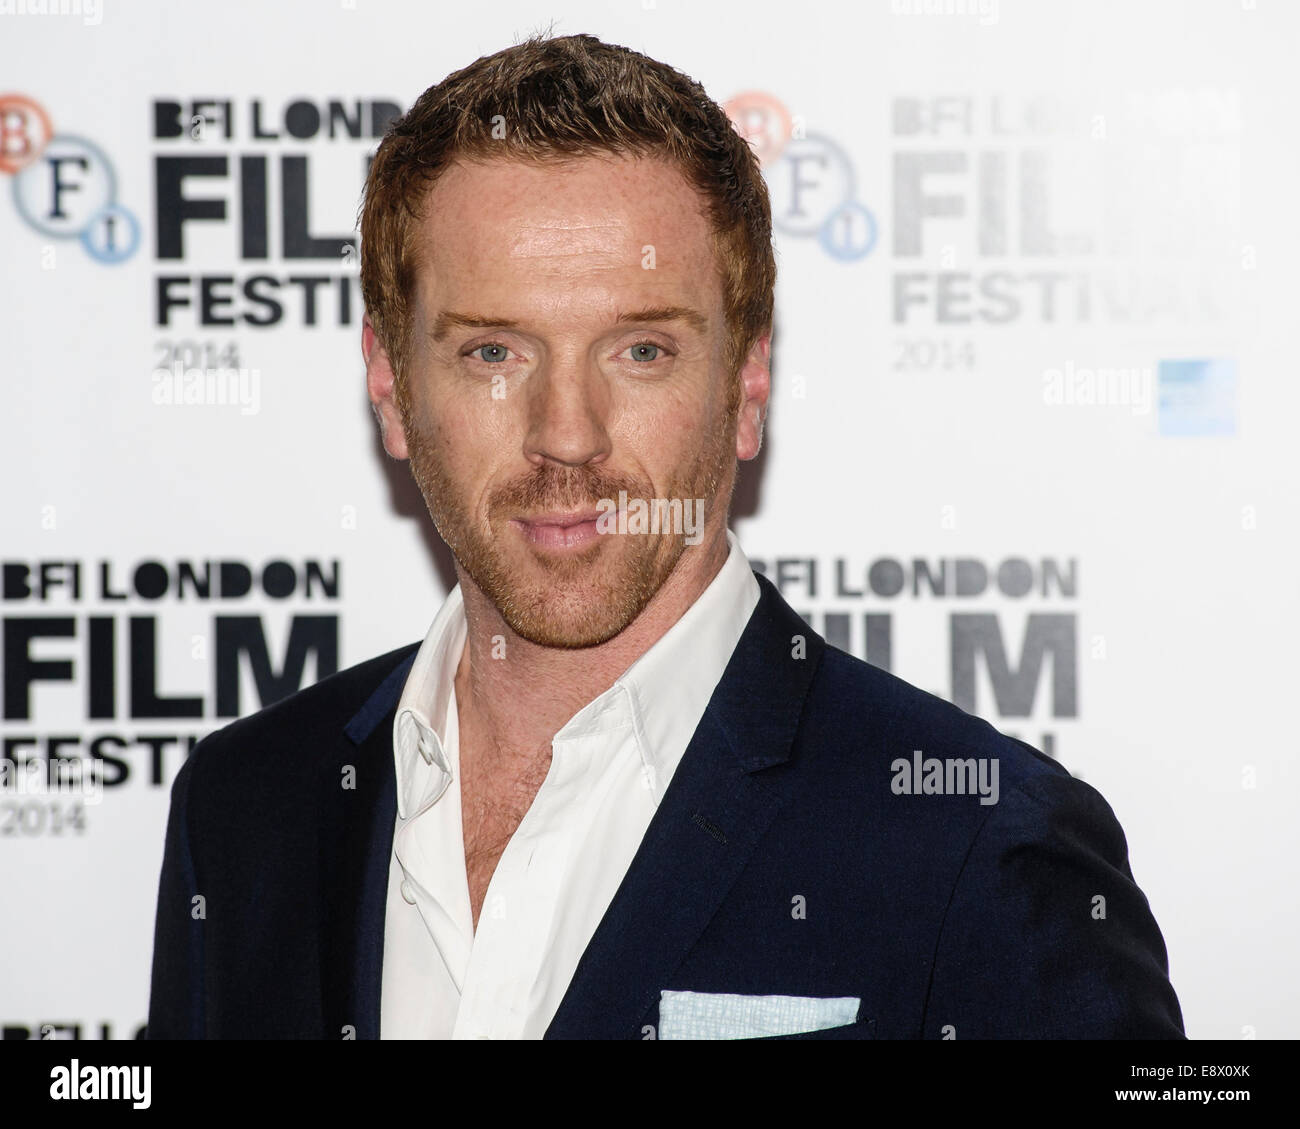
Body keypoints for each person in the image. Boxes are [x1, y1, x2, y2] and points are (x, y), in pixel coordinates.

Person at [146, 32, 1184, 1040]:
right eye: (495, 351)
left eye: (640, 350)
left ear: (747, 382)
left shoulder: (980, 848)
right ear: (389, 384)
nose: (567, 433)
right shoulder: (244, 811)